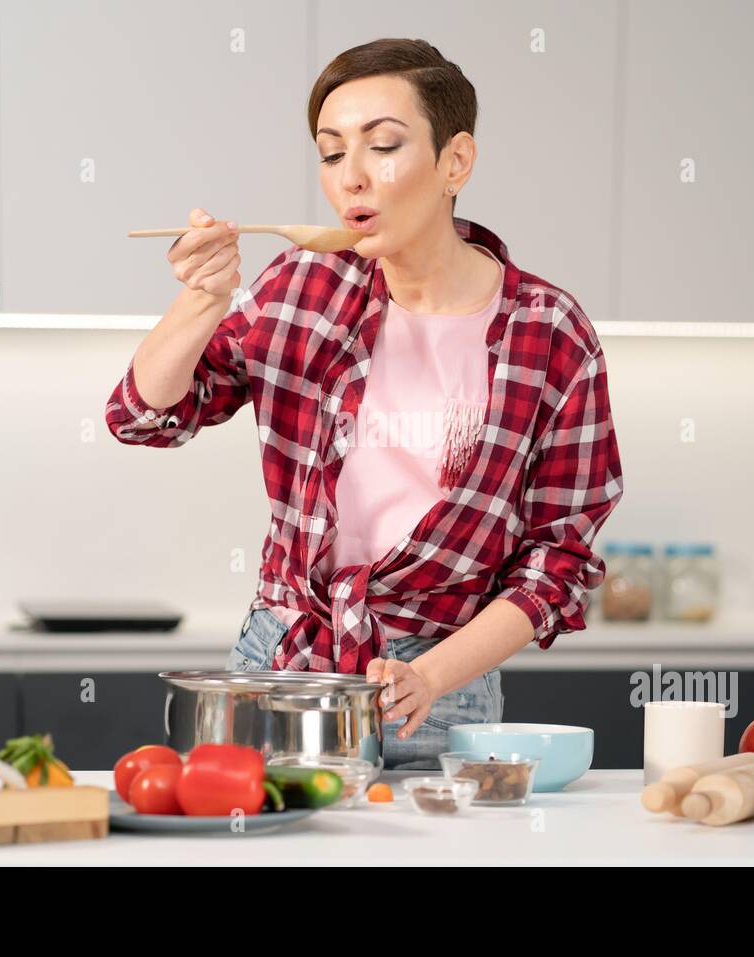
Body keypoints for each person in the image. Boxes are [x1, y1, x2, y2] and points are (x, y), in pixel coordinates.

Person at [106, 38, 623, 770]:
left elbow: (558, 562)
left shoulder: (550, 332)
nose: (352, 178)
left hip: (438, 690)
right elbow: (144, 417)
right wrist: (201, 302)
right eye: (330, 151)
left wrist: (430, 676)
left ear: (456, 161)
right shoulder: (299, 288)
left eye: (383, 146)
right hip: (280, 667)